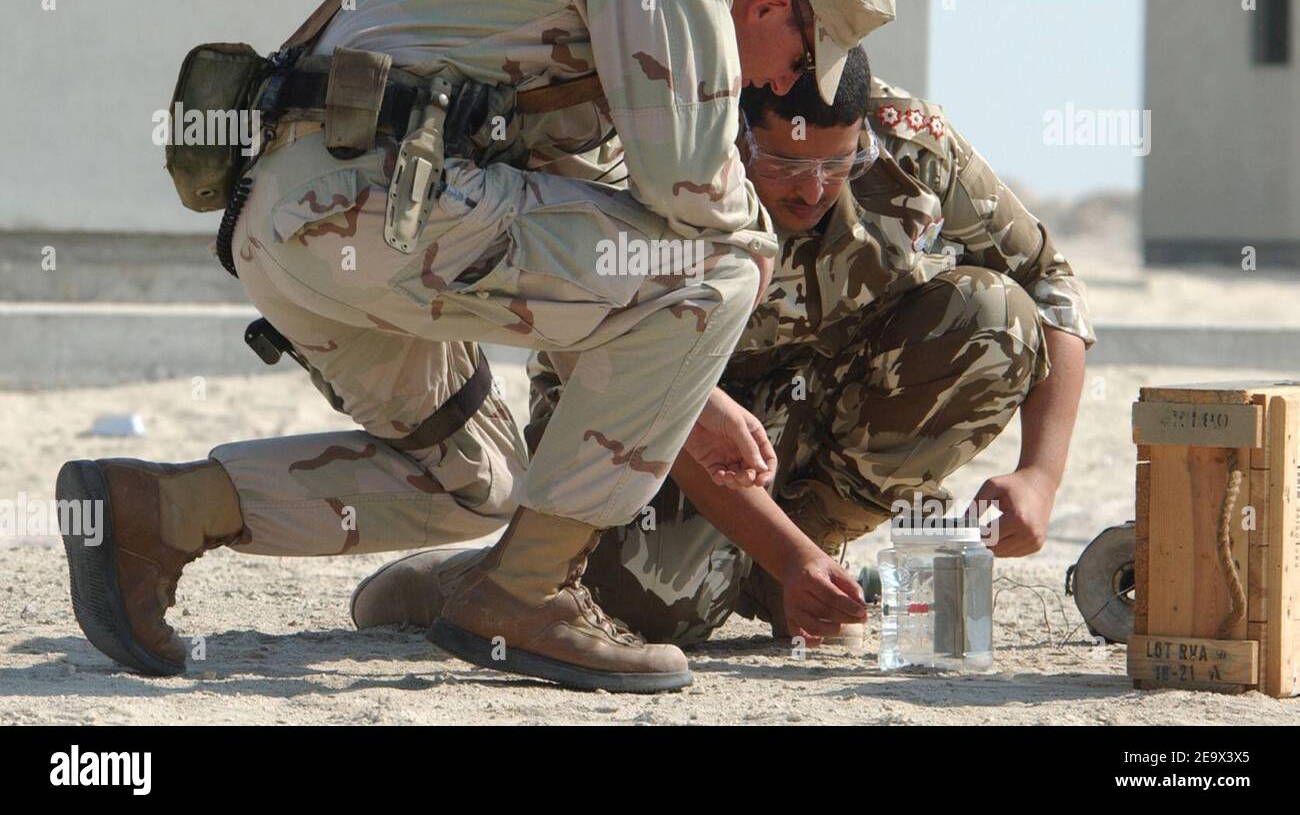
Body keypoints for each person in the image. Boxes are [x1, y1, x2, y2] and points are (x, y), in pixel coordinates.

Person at [57, 0, 896, 691]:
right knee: (729, 256)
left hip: (301, 228)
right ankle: (529, 593)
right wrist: (705, 321)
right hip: (375, 204)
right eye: (794, 63)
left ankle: (159, 510)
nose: (777, 87)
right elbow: (689, 196)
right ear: (769, 7)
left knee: (479, 478)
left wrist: (690, 392)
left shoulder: (605, 7)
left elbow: (598, 271)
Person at [353, 44, 1096, 646]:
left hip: (807, 413)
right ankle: (465, 577)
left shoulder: (911, 144)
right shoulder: (654, 164)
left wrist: (1041, 475)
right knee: (659, 614)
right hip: (654, 422)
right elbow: (642, 384)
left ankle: (798, 561)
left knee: (993, 315)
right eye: (783, 168)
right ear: (738, 137)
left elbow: (1050, 279)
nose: (813, 192)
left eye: (839, 167)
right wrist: (787, 555)